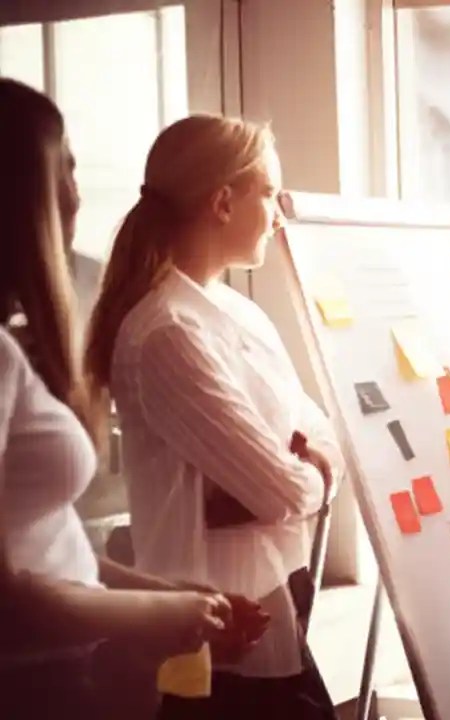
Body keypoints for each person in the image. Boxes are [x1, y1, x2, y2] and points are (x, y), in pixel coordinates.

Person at [0, 78, 264, 718]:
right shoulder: (166, 329)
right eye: (64, 170)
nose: (77, 196)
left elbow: (44, 542)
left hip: (66, 673)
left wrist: (160, 593)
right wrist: (155, 610)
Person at [82, 114, 342, 719]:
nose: (280, 213)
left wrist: (307, 469)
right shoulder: (167, 333)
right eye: (270, 194)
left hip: (278, 598)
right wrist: (315, 474)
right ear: (224, 202)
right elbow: (282, 489)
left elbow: (324, 438)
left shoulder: (237, 313)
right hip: (217, 644)